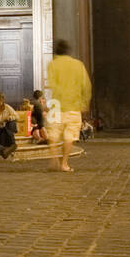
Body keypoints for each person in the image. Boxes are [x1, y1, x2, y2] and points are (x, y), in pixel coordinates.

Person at [45, 39, 92, 172]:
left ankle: (53, 159)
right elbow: (86, 86)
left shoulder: (53, 64)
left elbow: (52, 84)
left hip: (56, 105)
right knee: (69, 136)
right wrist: (84, 102)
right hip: (73, 105)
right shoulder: (78, 65)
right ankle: (64, 164)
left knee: (53, 135)